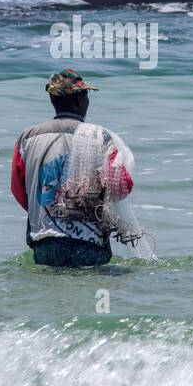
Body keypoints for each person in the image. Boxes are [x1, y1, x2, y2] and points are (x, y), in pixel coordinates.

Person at [10, 69, 136, 268]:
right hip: (89, 243)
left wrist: (47, 212)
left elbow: (19, 189)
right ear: (80, 100)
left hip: (45, 242)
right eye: (85, 94)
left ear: (53, 99)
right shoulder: (99, 136)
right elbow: (121, 186)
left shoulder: (27, 138)